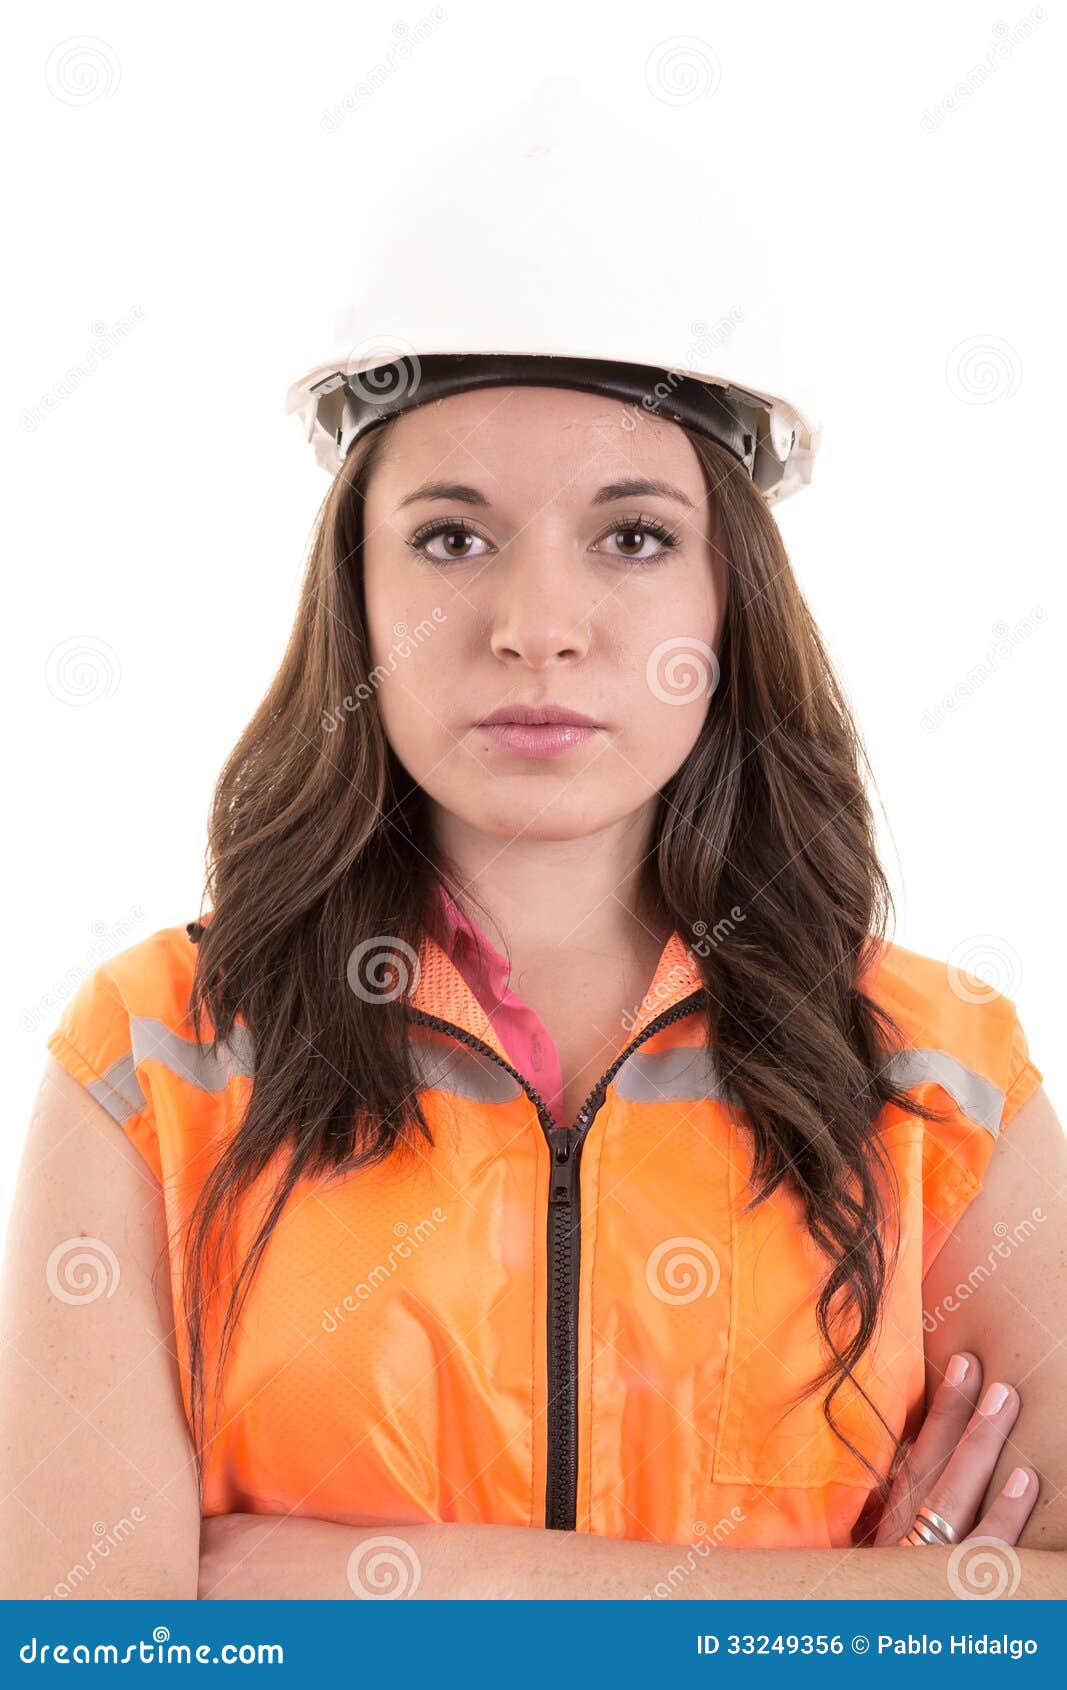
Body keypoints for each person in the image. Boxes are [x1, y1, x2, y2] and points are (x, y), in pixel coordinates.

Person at [3, 79, 1065, 1603]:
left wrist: (392, 1582)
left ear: (730, 596)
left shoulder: (944, 1084)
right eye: (452, 537)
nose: (538, 627)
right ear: (356, 590)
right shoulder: (154, 1064)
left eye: (633, 536)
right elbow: (88, 1657)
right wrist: (873, 1609)